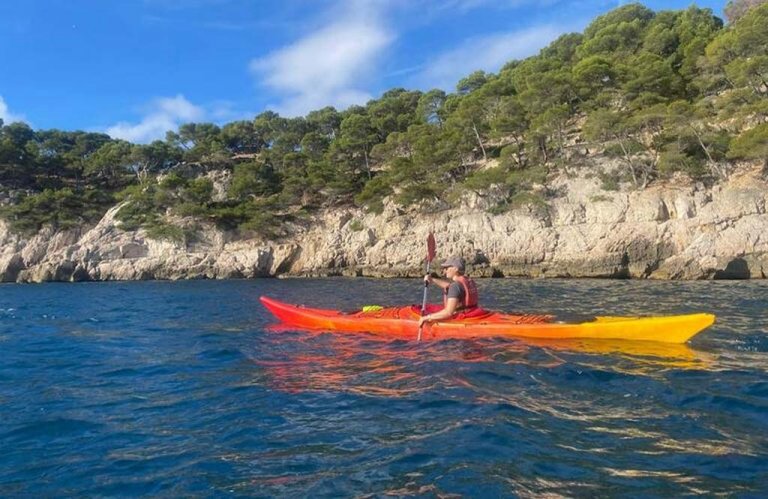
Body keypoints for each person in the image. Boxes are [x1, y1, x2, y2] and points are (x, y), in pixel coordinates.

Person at [418, 256, 479, 327]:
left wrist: (426, 318)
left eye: (447, 268)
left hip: (461, 318)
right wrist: (432, 280)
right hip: (473, 313)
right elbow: (450, 287)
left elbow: (449, 313)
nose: (445, 271)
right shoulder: (467, 281)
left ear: (456, 269)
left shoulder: (455, 286)